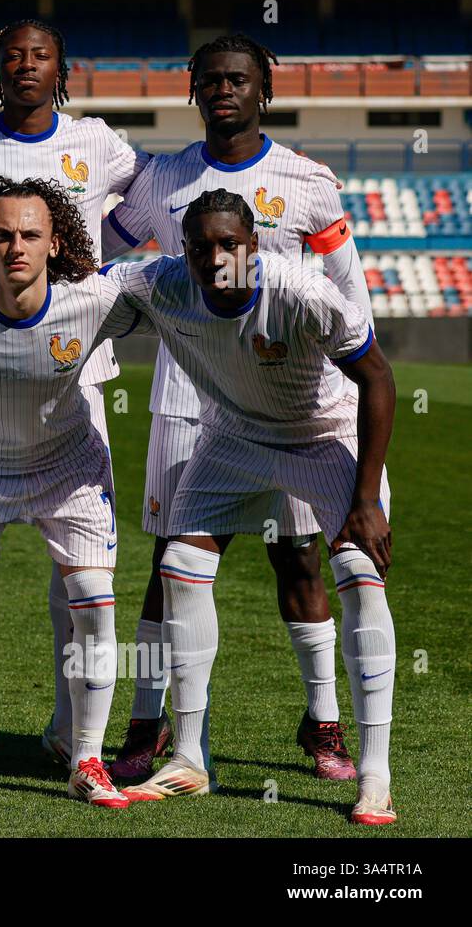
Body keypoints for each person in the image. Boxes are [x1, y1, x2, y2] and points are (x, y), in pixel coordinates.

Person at [101, 34, 374, 783]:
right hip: (186, 390)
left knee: (297, 553)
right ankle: (150, 724)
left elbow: (349, 294)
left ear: (265, 91)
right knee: (170, 561)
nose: (225, 90)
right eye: (212, 80)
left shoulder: (309, 181)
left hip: (285, 398)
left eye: (240, 79)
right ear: (193, 90)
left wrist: (346, 400)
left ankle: (323, 724)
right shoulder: (161, 179)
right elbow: (99, 253)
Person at [104, 188, 397, 826]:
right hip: (231, 436)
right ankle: (187, 757)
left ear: (253, 246)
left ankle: (375, 774)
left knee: (357, 570)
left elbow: (377, 376)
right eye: (201, 246)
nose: (215, 258)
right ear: (183, 251)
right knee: (180, 563)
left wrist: (368, 499)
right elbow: (86, 285)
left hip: (320, 437)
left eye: (229, 244)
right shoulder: (162, 284)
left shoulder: (300, 294)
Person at [0, 18, 149, 772]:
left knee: (79, 575)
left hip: (73, 363)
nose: (25, 64)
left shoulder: (99, 140)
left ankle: (68, 730)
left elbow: (148, 205)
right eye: (11, 56)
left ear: (62, 66)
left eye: (40, 54)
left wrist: (87, 273)